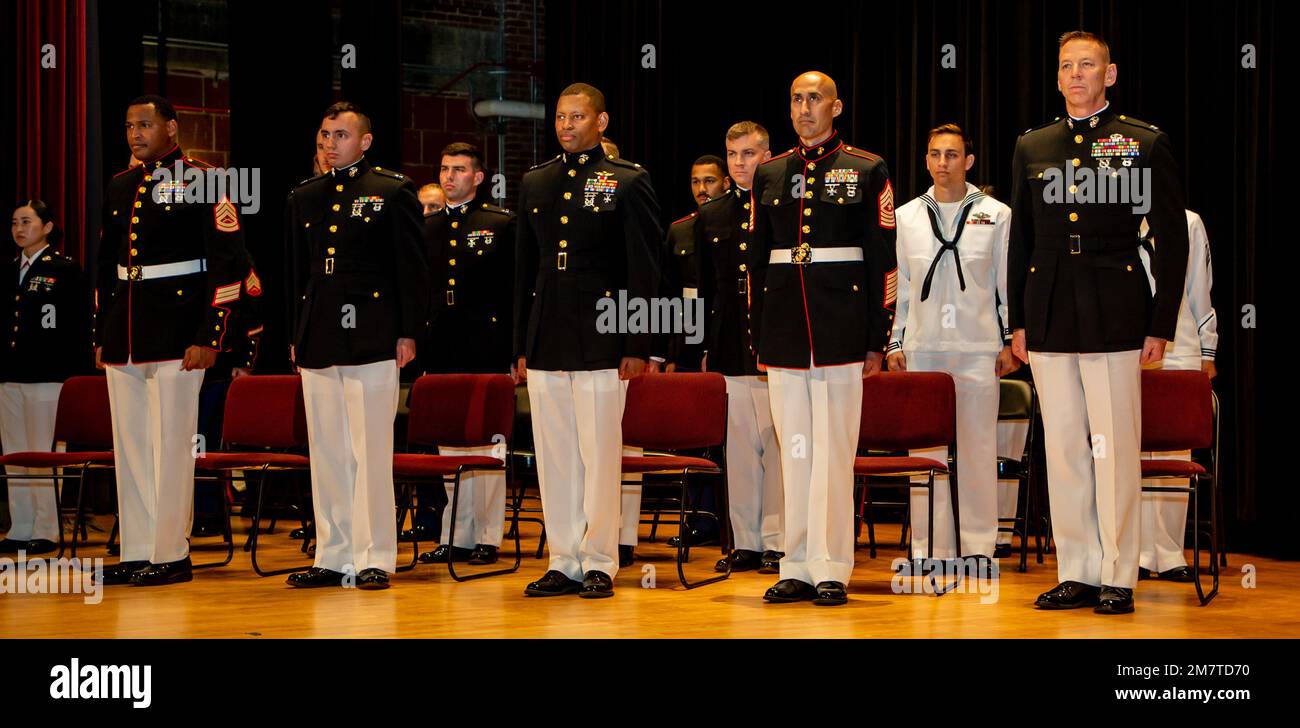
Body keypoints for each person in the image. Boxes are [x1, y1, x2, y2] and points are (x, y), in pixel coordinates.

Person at [1009, 31, 1189, 614]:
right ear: (1058, 77)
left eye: (1088, 65)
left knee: (1112, 446)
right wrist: (1018, 319)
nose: (1076, 74)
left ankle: (1119, 573)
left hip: (1117, 306)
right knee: (1063, 448)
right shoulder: (1033, 147)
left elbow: (1170, 241)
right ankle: (1079, 569)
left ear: (1109, 75)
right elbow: (1022, 241)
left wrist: (1160, 324)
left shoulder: (1143, 143)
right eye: (1067, 66)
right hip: (1051, 307)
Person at [748, 72, 897, 606]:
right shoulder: (769, 174)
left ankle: (832, 564)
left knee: (833, 451)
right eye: (796, 99)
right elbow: (757, 264)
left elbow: (883, 259)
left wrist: (878, 337)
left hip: (841, 330)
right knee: (796, 452)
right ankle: (795, 562)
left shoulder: (865, 168)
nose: (804, 108)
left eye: (814, 99)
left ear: (837, 106)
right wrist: (759, 336)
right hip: (786, 331)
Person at [95, 94, 253, 586]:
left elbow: (230, 264)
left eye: (145, 124)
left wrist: (212, 334)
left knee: (170, 447)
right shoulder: (121, 185)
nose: (135, 134)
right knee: (132, 447)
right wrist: (103, 333)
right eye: (128, 126)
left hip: (179, 333)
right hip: (126, 333)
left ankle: (171, 551)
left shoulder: (205, 180)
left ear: (172, 129)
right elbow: (106, 266)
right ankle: (138, 549)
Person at [514, 83, 661, 598]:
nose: (567, 125)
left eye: (578, 117)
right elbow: (523, 272)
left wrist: (637, 343)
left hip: (604, 335)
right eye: (560, 117)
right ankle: (562, 557)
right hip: (548, 332)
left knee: (600, 452)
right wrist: (521, 343)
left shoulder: (626, 180)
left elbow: (643, 268)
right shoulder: (536, 181)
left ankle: (600, 558)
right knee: (555, 455)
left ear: (601, 121)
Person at [285, 101, 428, 590]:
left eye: (340, 135)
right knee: (327, 452)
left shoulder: (391, 190)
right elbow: (296, 276)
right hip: (319, 335)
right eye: (324, 135)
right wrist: (295, 335)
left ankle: (374, 555)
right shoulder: (304, 196)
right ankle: (333, 553)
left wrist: (408, 331)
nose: (329, 143)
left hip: (373, 334)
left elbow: (411, 268)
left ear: (364, 141)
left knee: (369, 451)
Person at [886, 124, 1018, 564]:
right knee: (925, 453)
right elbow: (900, 285)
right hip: (924, 348)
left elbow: (1005, 283)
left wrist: (1007, 341)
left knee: (979, 448)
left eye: (952, 155)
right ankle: (929, 546)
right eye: (935, 154)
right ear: (926, 160)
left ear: (969, 161)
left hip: (978, 348)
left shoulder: (997, 214)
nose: (943, 163)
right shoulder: (906, 217)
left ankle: (979, 546)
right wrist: (894, 340)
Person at [416, 142, 515, 566]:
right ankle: (455, 533)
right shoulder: (427, 227)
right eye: (444, 168)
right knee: (450, 441)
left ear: (478, 177)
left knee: (487, 442)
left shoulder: (500, 224)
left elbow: (513, 292)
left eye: (458, 169)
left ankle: (487, 536)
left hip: (487, 341)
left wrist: (516, 351)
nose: (449, 176)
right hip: (442, 341)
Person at [698, 121, 785, 574]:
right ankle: (746, 541)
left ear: (768, 156)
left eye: (749, 154)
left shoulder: (785, 206)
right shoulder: (712, 215)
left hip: (775, 343)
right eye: (732, 155)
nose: (739, 163)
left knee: (777, 446)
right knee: (739, 449)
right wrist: (704, 346)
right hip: (730, 343)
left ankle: (777, 541)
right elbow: (707, 291)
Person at [0, 201, 92, 555]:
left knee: (43, 451)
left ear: (48, 226)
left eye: (27, 221)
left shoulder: (64, 269)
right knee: (15, 453)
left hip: (48, 374)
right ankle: (21, 525)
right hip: (10, 373)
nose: (19, 229)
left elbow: (77, 325)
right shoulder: (10, 269)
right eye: (14, 222)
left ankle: (47, 527)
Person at [1136, 209, 1217, 582]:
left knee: (1172, 452)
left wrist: (1207, 349)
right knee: (1126, 450)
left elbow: (1200, 287)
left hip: (1178, 343)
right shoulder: (1107, 214)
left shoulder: (1186, 222)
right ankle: (1131, 551)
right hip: (1123, 346)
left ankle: (1168, 552)